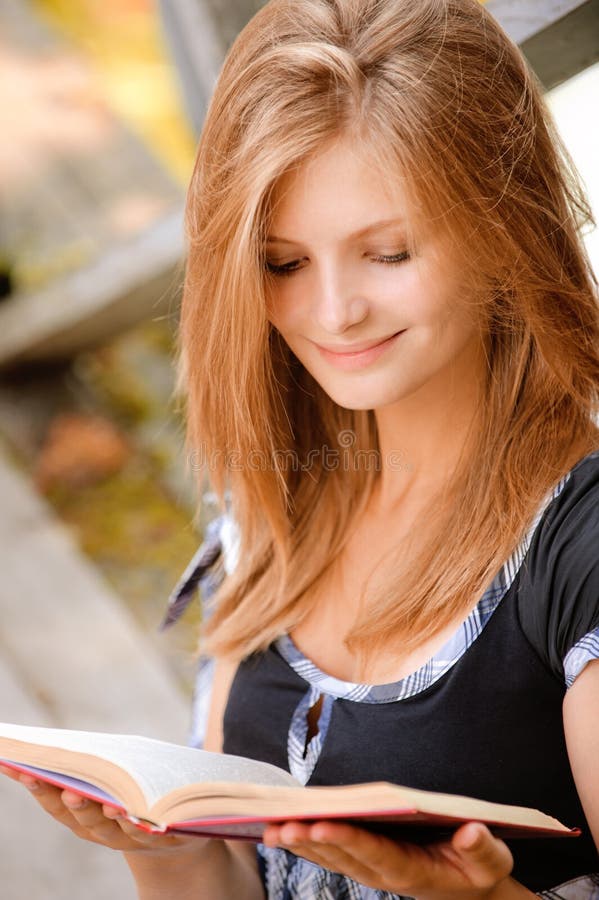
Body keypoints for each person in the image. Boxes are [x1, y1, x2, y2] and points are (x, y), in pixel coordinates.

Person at [2, 0, 598, 897]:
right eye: (283, 263)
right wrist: (165, 848)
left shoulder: (579, 547)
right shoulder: (274, 495)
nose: (331, 313)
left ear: (500, 223)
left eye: (387, 253)